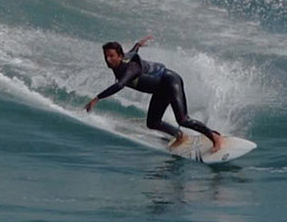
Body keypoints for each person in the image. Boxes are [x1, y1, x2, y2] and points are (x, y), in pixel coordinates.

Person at [84, 35, 223, 153]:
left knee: (183, 119)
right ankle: (180, 135)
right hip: (160, 90)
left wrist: (97, 98)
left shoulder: (131, 68)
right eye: (106, 56)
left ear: (120, 56)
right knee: (152, 122)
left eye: (111, 56)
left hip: (170, 82)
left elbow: (120, 84)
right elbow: (133, 50)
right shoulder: (120, 63)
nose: (108, 59)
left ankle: (214, 137)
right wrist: (139, 43)